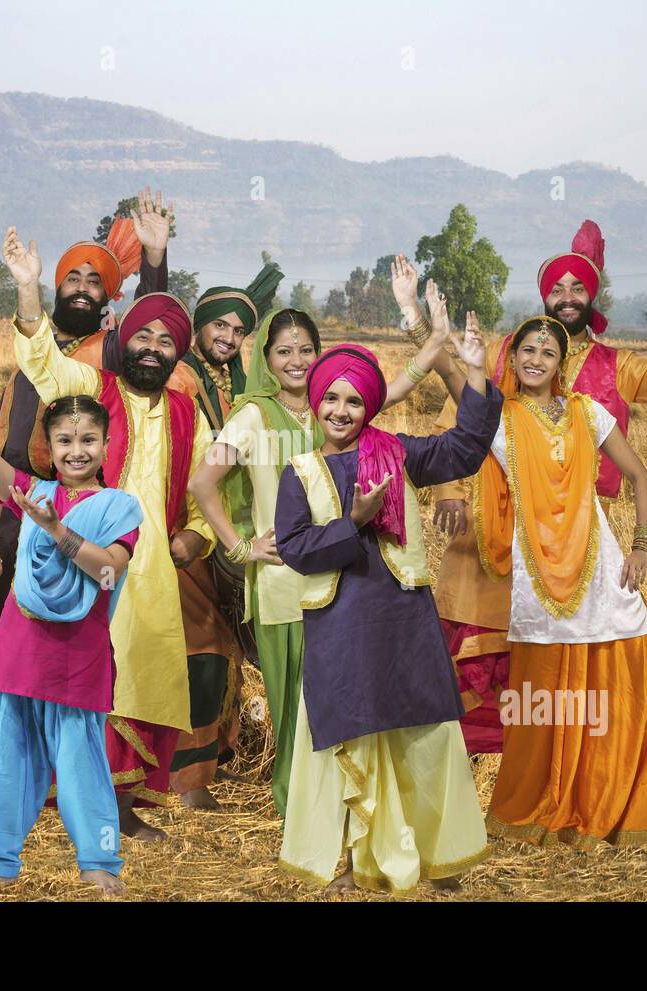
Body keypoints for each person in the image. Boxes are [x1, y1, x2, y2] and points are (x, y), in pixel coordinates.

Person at [412, 222, 647, 755]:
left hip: (578, 532)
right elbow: (457, 418)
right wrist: (448, 489)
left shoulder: (616, 368)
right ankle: (478, 756)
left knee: (569, 643)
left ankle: (561, 761)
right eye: (557, 289)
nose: (566, 298)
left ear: (592, 297)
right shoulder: (510, 355)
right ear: (544, 298)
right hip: (500, 521)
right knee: (480, 629)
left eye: (577, 289)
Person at [188, 303, 466, 818]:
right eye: (283, 351)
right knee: (293, 708)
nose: (296, 361)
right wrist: (241, 547)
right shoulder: (252, 416)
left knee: (331, 701)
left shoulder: (328, 409)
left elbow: (391, 388)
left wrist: (431, 345)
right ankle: (298, 815)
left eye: (305, 350)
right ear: (265, 359)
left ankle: (343, 812)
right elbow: (202, 484)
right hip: (279, 582)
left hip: (338, 582)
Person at [273, 331, 503, 893]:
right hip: (340, 625)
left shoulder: (396, 452)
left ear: (370, 406)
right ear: (317, 401)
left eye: (354, 401)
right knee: (352, 734)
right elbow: (296, 549)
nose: (341, 411)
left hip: (403, 617)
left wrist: (473, 374)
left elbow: (464, 450)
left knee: (424, 733)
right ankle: (355, 864)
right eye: (331, 399)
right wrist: (353, 522)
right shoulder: (299, 473)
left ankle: (437, 855)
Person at [0, 376, 142, 896]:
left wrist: (57, 530)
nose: (76, 451)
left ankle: (98, 862)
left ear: (106, 446)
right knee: (6, 753)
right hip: (21, 647)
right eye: (64, 440)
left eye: (87, 440)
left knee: (82, 757)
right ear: (50, 447)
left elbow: (107, 572)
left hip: (78, 653)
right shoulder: (35, 492)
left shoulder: (118, 508)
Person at [10, 265, 216, 842]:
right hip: (87, 561)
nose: (153, 349)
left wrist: (196, 535)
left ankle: (118, 803)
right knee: (93, 673)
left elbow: (206, 485)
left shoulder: (185, 412)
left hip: (153, 575)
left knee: (142, 678)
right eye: (144, 336)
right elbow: (41, 363)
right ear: (124, 339)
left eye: (167, 341)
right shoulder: (92, 390)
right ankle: (79, 798)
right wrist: (28, 286)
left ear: (178, 353)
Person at [476, 315, 647, 848]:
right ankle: (548, 807)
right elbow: (454, 380)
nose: (536, 358)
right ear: (513, 358)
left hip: (602, 569)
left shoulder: (588, 413)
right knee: (541, 703)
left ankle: (620, 805)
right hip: (537, 577)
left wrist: (643, 543)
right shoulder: (499, 418)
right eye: (526, 350)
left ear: (560, 363)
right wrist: (417, 322)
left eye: (547, 352)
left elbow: (640, 477)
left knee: (634, 687)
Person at [0, 188, 191, 629]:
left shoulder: (109, 354)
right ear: (56, 286)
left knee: (62, 629)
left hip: (72, 512)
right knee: (5, 633)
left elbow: (146, 329)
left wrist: (154, 258)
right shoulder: (28, 361)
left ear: (108, 296)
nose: (82, 287)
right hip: (17, 508)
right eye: (73, 277)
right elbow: (0, 454)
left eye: (95, 281)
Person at [169, 262, 284, 809]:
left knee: (225, 649)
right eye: (221, 325)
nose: (229, 337)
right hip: (185, 529)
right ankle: (188, 782)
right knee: (203, 647)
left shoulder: (235, 379)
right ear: (200, 325)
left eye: (239, 331)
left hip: (226, 533)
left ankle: (217, 760)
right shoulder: (179, 378)